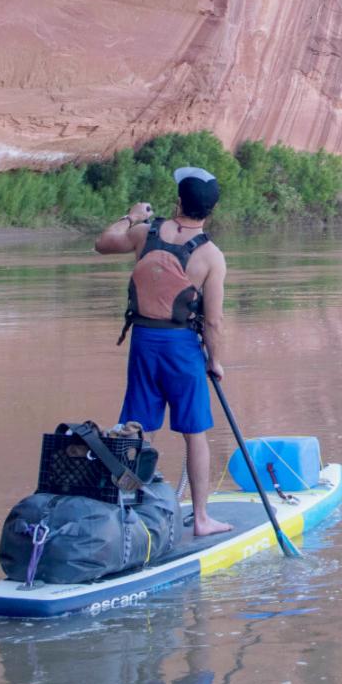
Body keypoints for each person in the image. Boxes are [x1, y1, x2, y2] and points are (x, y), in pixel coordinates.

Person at [94, 166, 233, 536]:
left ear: (177, 203)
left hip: (143, 342)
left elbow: (104, 242)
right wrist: (215, 362)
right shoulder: (211, 257)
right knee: (195, 433)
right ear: (210, 211)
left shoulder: (144, 233)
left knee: (139, 429)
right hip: (182, 349)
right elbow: (214, 321)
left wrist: (131, 216)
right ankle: (201, 519)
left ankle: (129, 513)